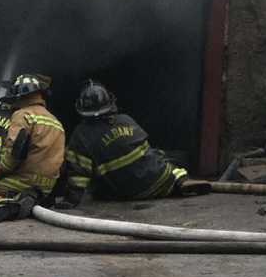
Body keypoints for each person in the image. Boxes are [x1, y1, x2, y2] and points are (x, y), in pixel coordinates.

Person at [58, 80, 210, 205]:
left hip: (126, 191)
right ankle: (180, 181)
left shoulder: (81, 136)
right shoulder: (126, 120)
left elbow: (79, 175)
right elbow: (147, 150)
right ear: (110, 103)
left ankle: (177, 183)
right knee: (162, 158)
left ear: (82, 109)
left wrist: (70, 200)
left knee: (97, 190)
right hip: (158, 179)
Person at [0, 72, 64, 223]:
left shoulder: (23, 115)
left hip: (20, 182)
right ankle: (30, 199)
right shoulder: (56, 122)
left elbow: (15, 150)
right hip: (46, 188)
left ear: (19, 95)